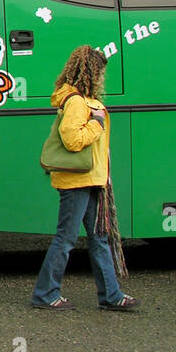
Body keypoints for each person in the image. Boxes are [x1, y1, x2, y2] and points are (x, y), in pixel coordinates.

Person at [31, 46, 138, 311]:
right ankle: (45, 293)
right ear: (92, 72)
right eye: (101, 72)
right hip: (78, 180)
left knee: (97, 237)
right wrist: (96, 125)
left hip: (89, 179)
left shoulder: (78, 99)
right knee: (67, 239)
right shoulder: (77, 101)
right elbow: (72, 139)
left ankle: (111, 295)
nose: (103, 78)